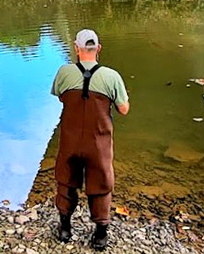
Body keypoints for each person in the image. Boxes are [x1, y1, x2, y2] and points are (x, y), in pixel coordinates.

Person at [50, 29, 130, 250]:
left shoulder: (64, 72)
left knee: (66, 180)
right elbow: (123, 109)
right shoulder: (112, 76)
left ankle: (65, 228)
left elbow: (59, 95)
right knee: (101, 183)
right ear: (99, 49)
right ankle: (100, 235)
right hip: (99, 143)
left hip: (70, 139)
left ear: (76, 48)